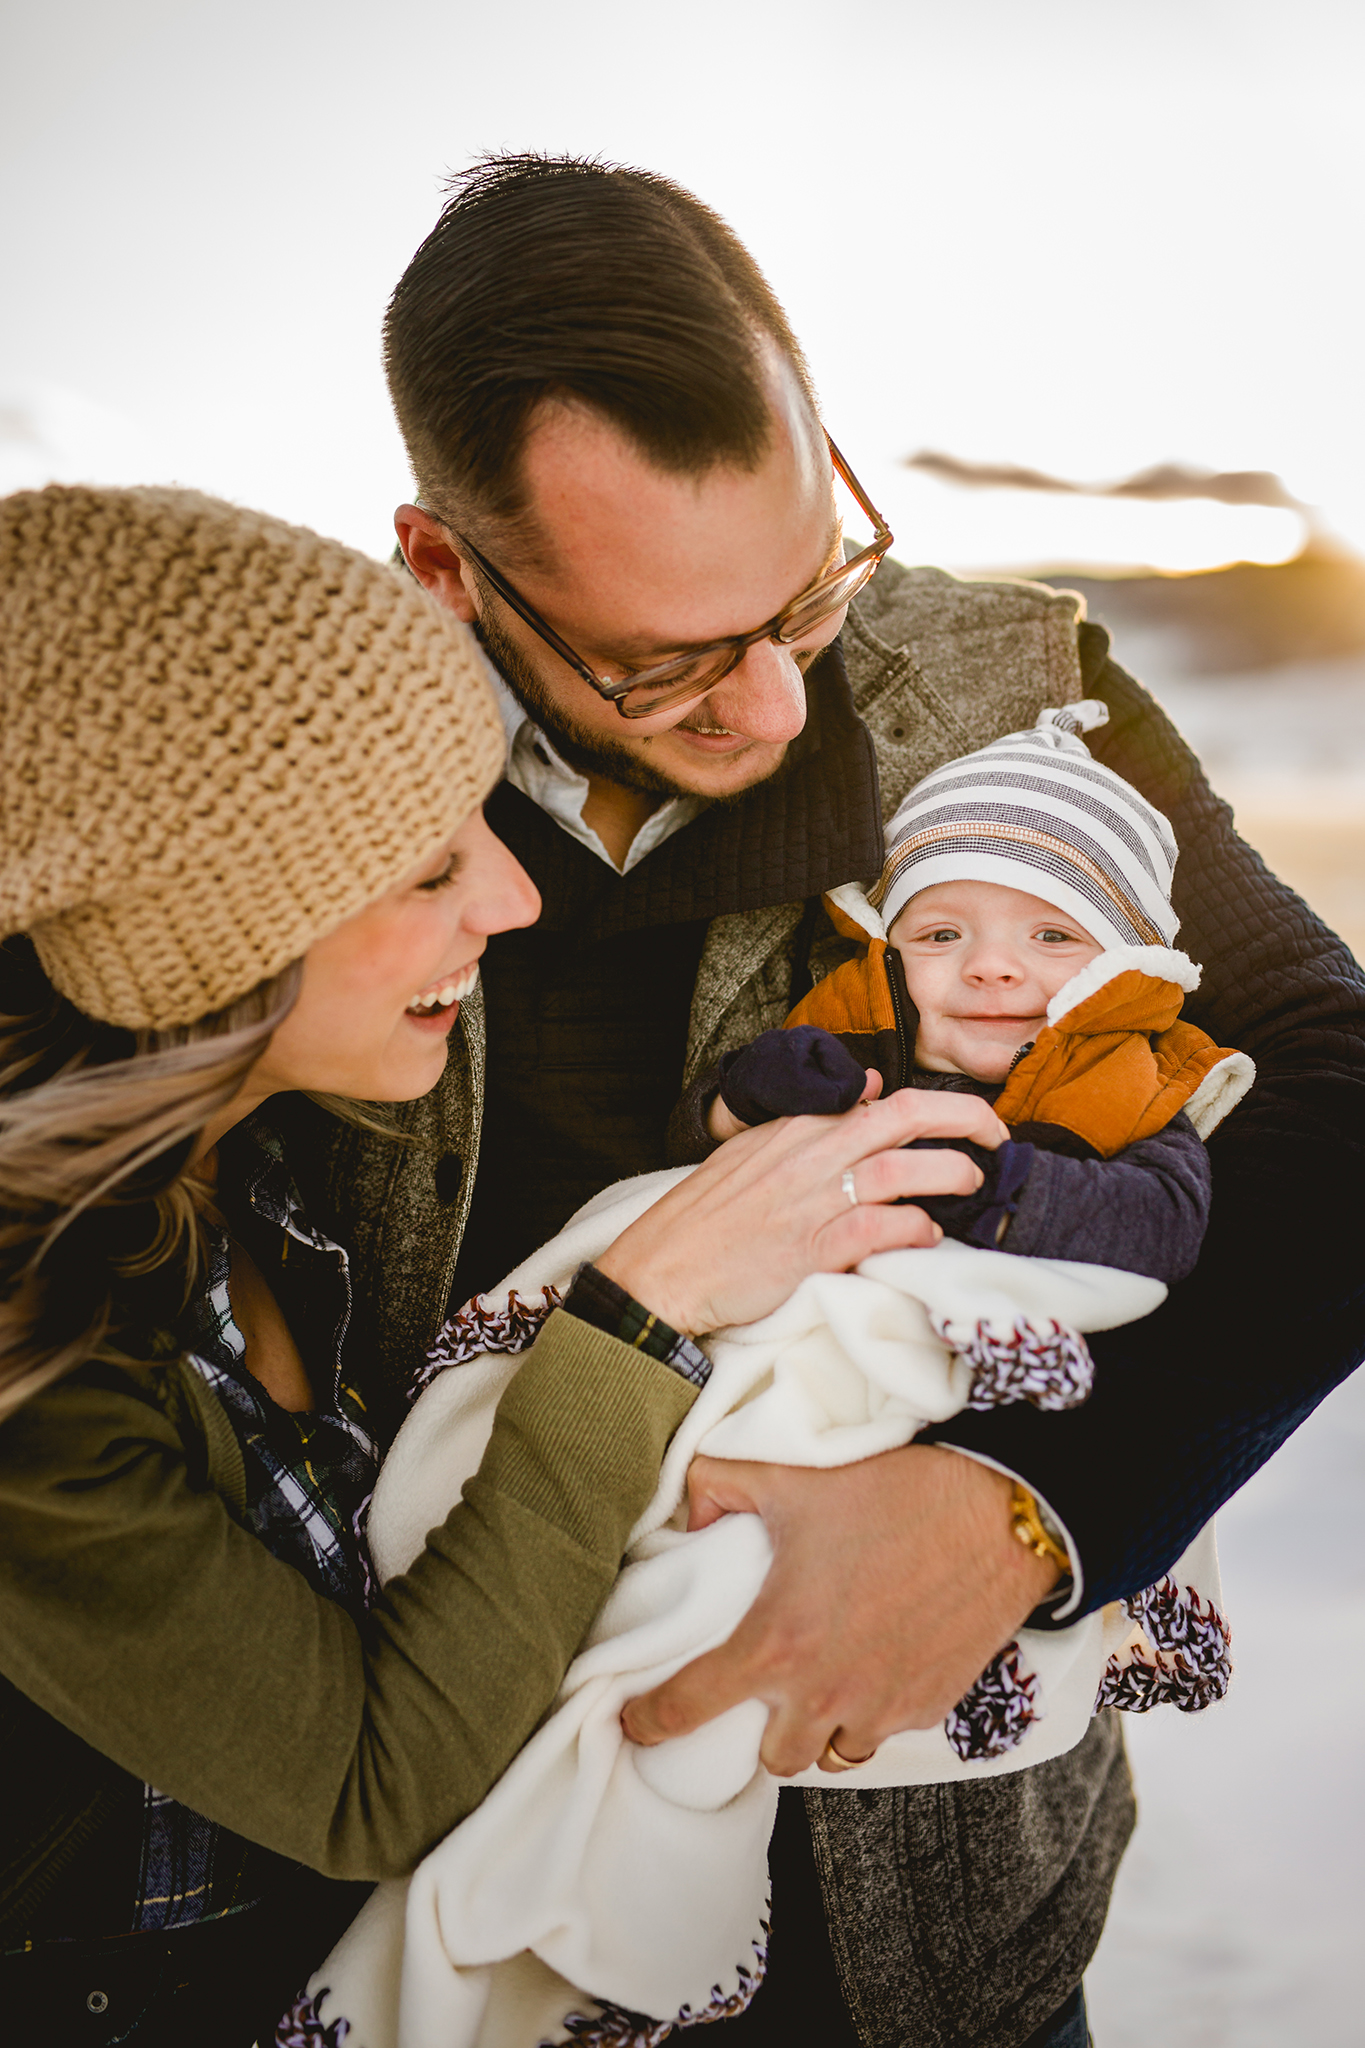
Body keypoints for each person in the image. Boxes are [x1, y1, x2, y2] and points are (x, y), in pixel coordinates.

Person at [365, 153, 1365, 2048]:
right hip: (450, 1848)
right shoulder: (307, 752)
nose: (771, 708)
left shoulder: (1010, 682)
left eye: (809, 592)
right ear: (445, 567)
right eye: (663, 664)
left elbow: (1347, 1080)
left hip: (947, 1924)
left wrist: (1015, 1513)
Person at [0, 483, 986, 2048]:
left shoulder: (247, 1158)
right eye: (421, 869)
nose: (512, 898)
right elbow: (369, 1783)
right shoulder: (28, 1380)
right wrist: (635, 1314)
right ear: (201, 939)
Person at [678, 699, 1254, 1302]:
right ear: (888, 947)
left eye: (1053, 936)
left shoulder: (1124, 1081)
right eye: (943, 935)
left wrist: (988, 1187)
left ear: (1124, 964)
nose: (989, 968)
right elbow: (684, 1158)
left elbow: (1165, 1226)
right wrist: (737, 1100)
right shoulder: (844, 1039)